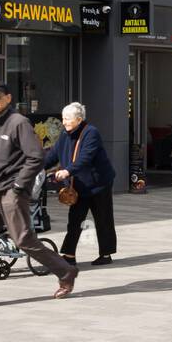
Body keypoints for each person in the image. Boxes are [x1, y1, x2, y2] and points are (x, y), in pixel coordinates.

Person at [0, 82, 77, 309]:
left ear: (8, 98)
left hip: (12, 191)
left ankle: (66, 271)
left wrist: (19, 185)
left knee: (23, 240)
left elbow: (36, 157)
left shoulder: (19, 123)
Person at [43, 102, 118, 267]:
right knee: (75, 219)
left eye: (68, 119)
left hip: (99, 183)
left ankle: (106, 254)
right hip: (78, 185)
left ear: (78, 119)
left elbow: (86, 157)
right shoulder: (64, 134)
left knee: (103, 218)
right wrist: (37, 167)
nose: (64, 122)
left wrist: (67, 171)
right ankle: (69, 255)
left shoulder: (91, 133)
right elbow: (53, 155)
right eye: (63, 118)